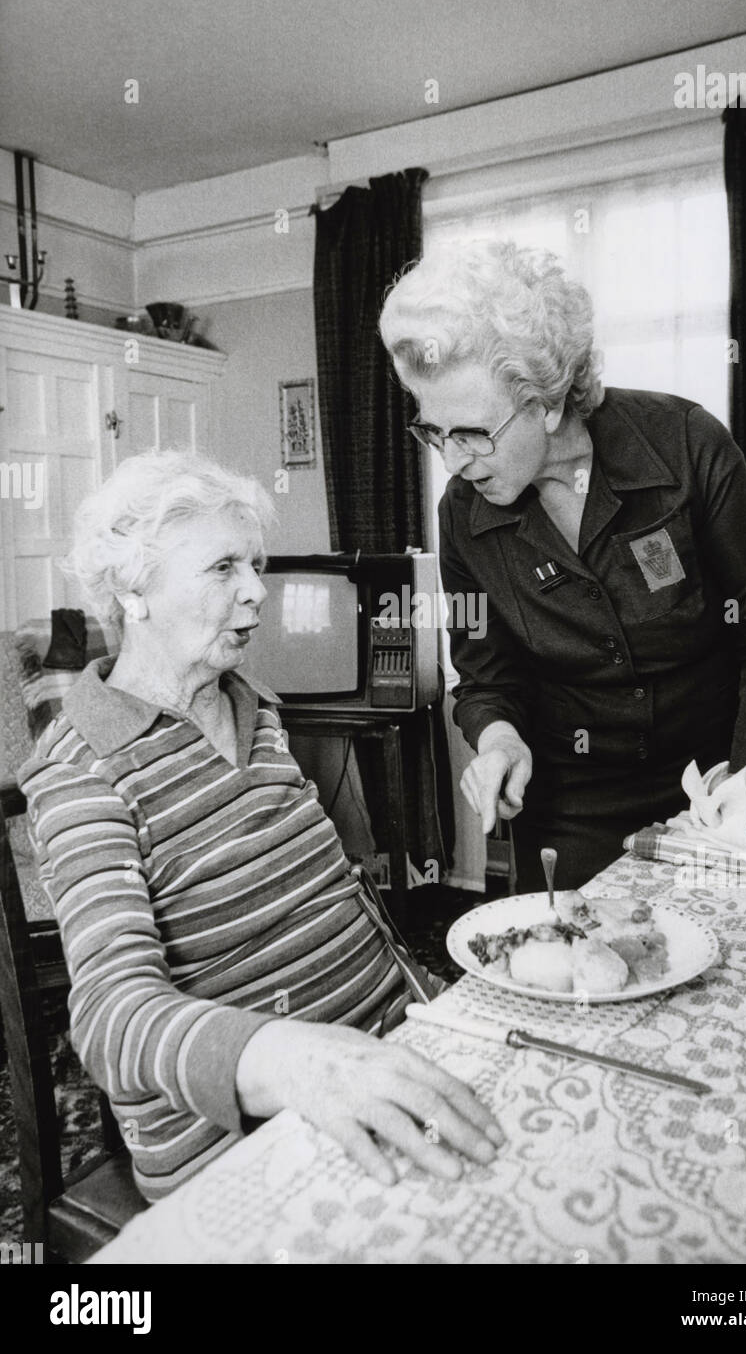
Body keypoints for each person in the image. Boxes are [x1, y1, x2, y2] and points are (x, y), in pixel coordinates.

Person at [18, 452, 503, 1201]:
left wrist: (432, 998)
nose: (256, 592)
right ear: (132, 591)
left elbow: (334, 895)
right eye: (223, 569)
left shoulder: (251, 701)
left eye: (255, 565)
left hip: (392, 1049)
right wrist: (291, 1061)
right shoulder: (82, 768)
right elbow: (113, 1017)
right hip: (251, 1140)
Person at [379, 240, 746, 892]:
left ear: (547, 403)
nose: (452, 459)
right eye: (433, 431)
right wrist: (499, 742)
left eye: (471, 432)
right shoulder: (462, 516)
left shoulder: (687, 447)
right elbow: (485, 675)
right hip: (569, 809)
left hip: (714, 781)